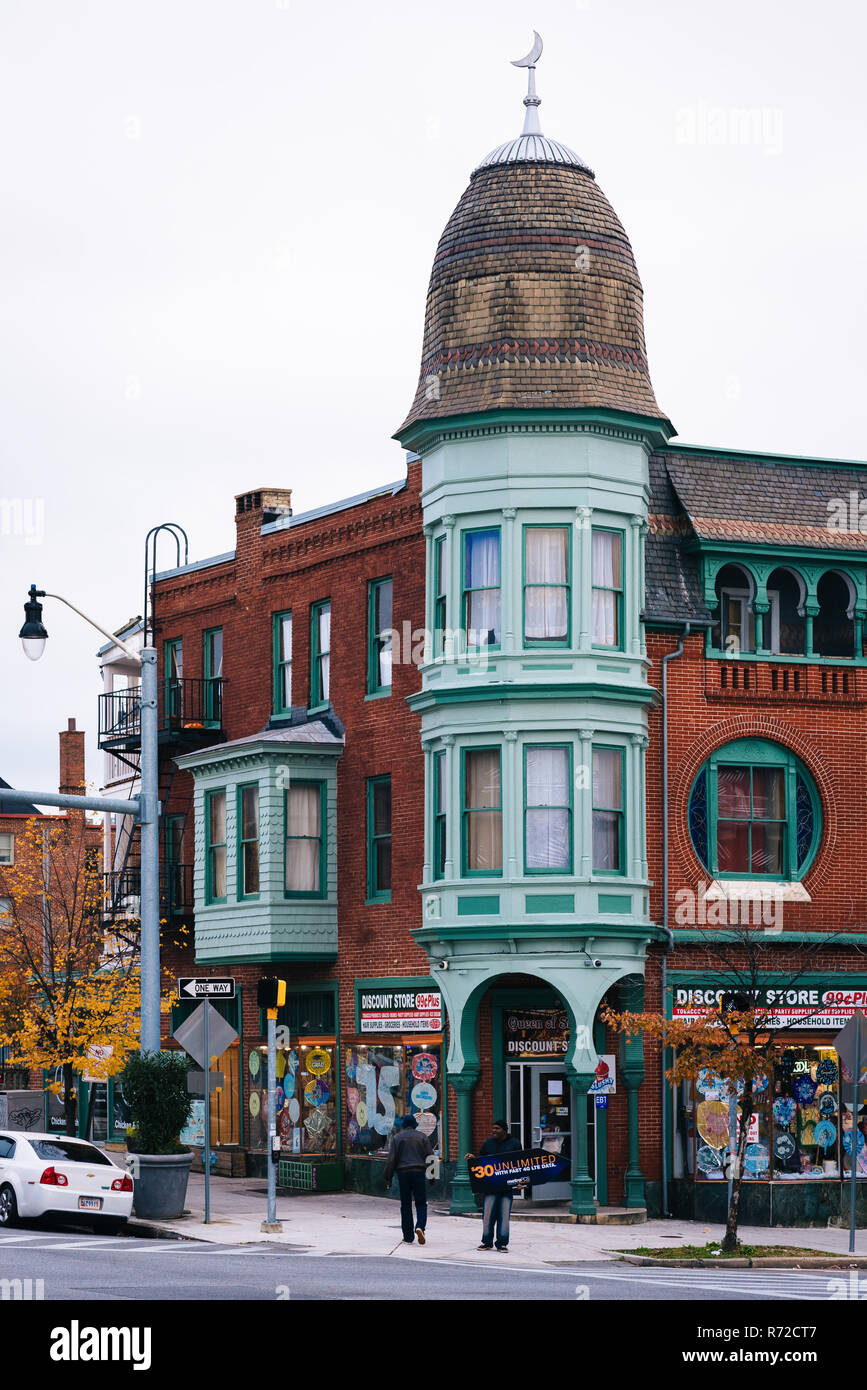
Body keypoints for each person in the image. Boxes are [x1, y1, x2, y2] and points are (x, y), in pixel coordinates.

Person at [466, 1118, 523, 1252]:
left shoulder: (514, 1144)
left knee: (504, 1215)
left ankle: (502, 1243)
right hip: (490, 1186)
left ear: (504, 1130)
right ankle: (486, 1242)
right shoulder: (488, 1143)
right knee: (487, 1215)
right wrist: (474, 1158)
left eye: (497, 1128)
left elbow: (521, 1164)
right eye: (493, 1128)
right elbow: (482, 1162)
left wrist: (520, 1182)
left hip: (507, 1186)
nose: (494, 1131)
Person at [384, 1114, 433, 1244]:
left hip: (403, 1174)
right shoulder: (423, 1137)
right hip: (419, 1172)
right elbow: (431, 1157)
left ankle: (408, 1236)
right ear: (415, 1125)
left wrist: (388, 1178)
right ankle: (420, 1227)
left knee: (405, 1205)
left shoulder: (396, 1138)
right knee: (421, 1202)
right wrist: (432, 1176)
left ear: (404, 1125)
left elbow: (391, 1160)